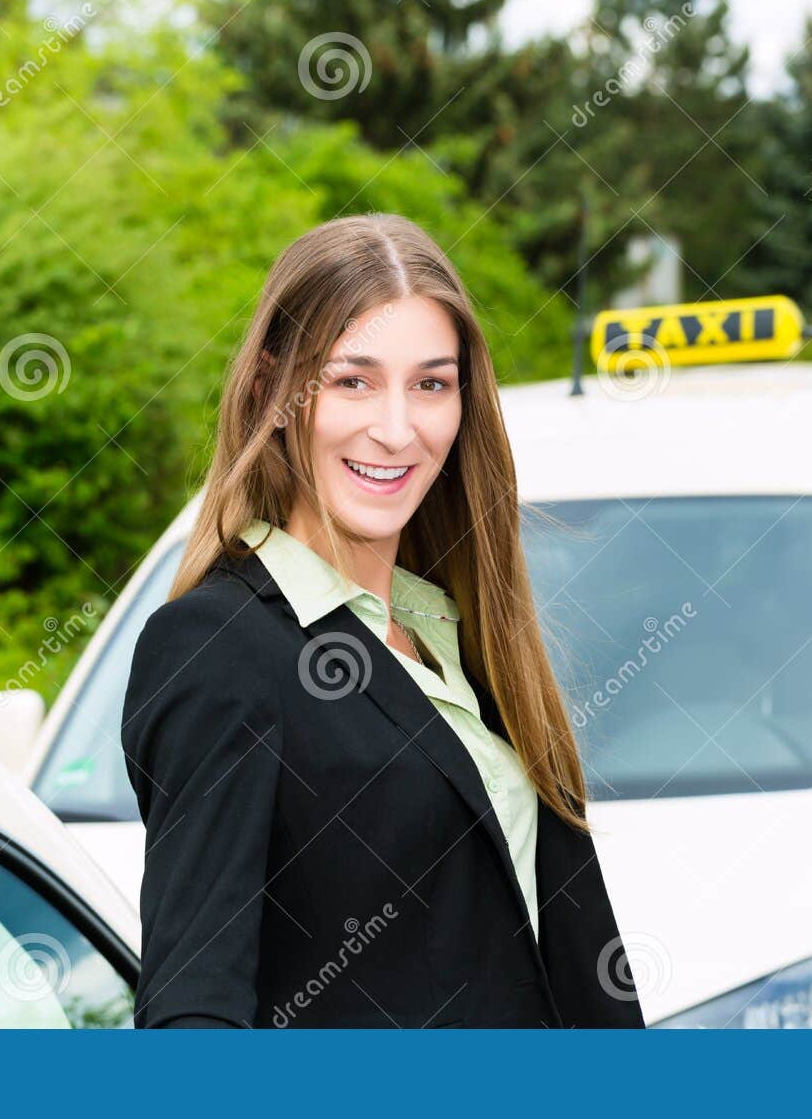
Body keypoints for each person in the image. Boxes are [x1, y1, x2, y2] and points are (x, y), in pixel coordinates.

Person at [121, 212, 643, 1029]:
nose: (397, 429)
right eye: (352, 380)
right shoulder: (217, 649)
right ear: (273, 392)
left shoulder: (457, 630)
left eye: (431, 383)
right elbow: (193, 1003)